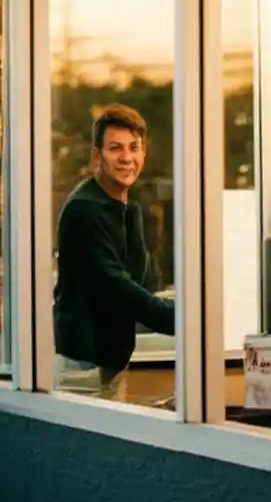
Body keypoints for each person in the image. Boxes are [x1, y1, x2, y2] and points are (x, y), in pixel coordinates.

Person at [53, 104, 175, 398]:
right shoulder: (85, 209)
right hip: (84, 364)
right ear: (98, 157)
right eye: (115, 148)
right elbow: (115, 284)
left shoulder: (126, 208)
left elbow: (140, 281)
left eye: (134, 148)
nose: (127, 158)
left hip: (111, 359)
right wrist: (180, 319)